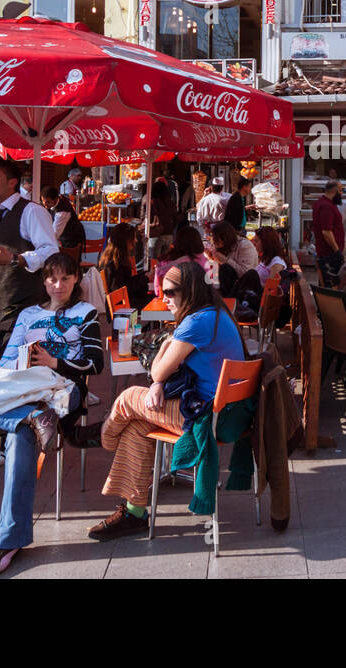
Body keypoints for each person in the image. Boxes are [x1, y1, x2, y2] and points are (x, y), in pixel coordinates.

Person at [0, 252, 103, 576]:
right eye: (52, 278)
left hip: (61, 390)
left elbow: (95, 363)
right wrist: (8, 374)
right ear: (44, 281)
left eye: (66, 278)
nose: (58, 285)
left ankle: (8, 542)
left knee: (21, 438)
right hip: (20, 391)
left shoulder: (86, 313)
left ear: (75, 281)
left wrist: (54, 362)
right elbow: (7, 359)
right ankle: (26, 417)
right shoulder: (28, 314)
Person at [88, 261, 246, 540]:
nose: (164, 298)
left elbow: (157, 369)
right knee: (137, 426)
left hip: (208, 419)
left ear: (191, 291)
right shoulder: (217, 313)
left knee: (127, 398)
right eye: (163, 290)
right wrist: (158, 383)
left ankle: (100, 436)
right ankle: (134, 512)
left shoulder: (196, 322)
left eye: (171, 292)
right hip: (230, 414)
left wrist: (164, 348)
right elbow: (164, 374)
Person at [0, 157, 60, 374]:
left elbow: (51, 251)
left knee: (16, 371)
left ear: (12, 182)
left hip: (26, 305)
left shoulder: (31, 211)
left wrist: (16, 259)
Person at [99, 222, 151, 309]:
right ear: (126, 240)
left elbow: (125, 282)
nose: (136, 240)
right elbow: (121, 289)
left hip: (123, 301)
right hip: (122, 305)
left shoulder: (114, 258)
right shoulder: (113, 263)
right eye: (133, 238)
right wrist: (145, 278)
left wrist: (145, 275)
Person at [152, 225, 210, 296]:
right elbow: (211, 286)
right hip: (200, 302)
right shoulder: (204, 261)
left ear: (177, 242)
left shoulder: (164, 263)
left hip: (170, 302)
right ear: (198, 242)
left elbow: (158, 291)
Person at [208, 220, 259, 297]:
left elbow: (245, 274)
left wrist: (223, 259)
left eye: (217, 240)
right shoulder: (222, 246)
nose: (214, 243)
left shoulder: (245, 246)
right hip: (225, 286)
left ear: (225, 238)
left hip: (243, 289)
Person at [311, 180, 346, 286]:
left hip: (327, 253)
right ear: (334, 191)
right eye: (340, 191)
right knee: (331, 286)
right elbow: (326, 232)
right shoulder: (327, 206)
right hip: (330, 254)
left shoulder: (323, 203)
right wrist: (337, 251)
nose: (342, 194)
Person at [40, 185, 85, 252]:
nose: (45, 204)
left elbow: (55, 234)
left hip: (71, 241)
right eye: (43, 201)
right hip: (63, 239)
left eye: (47, 202)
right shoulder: (58, 198)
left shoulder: (62, 213)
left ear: (55, 200)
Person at [148, 177, 177, 259]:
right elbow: (175, 218)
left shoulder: (152, 202)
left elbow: (147, 217)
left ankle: (155, 272)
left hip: (156, 234)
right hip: (169, 234)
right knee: (166, 261)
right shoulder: (170, 202)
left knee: (154, 261)